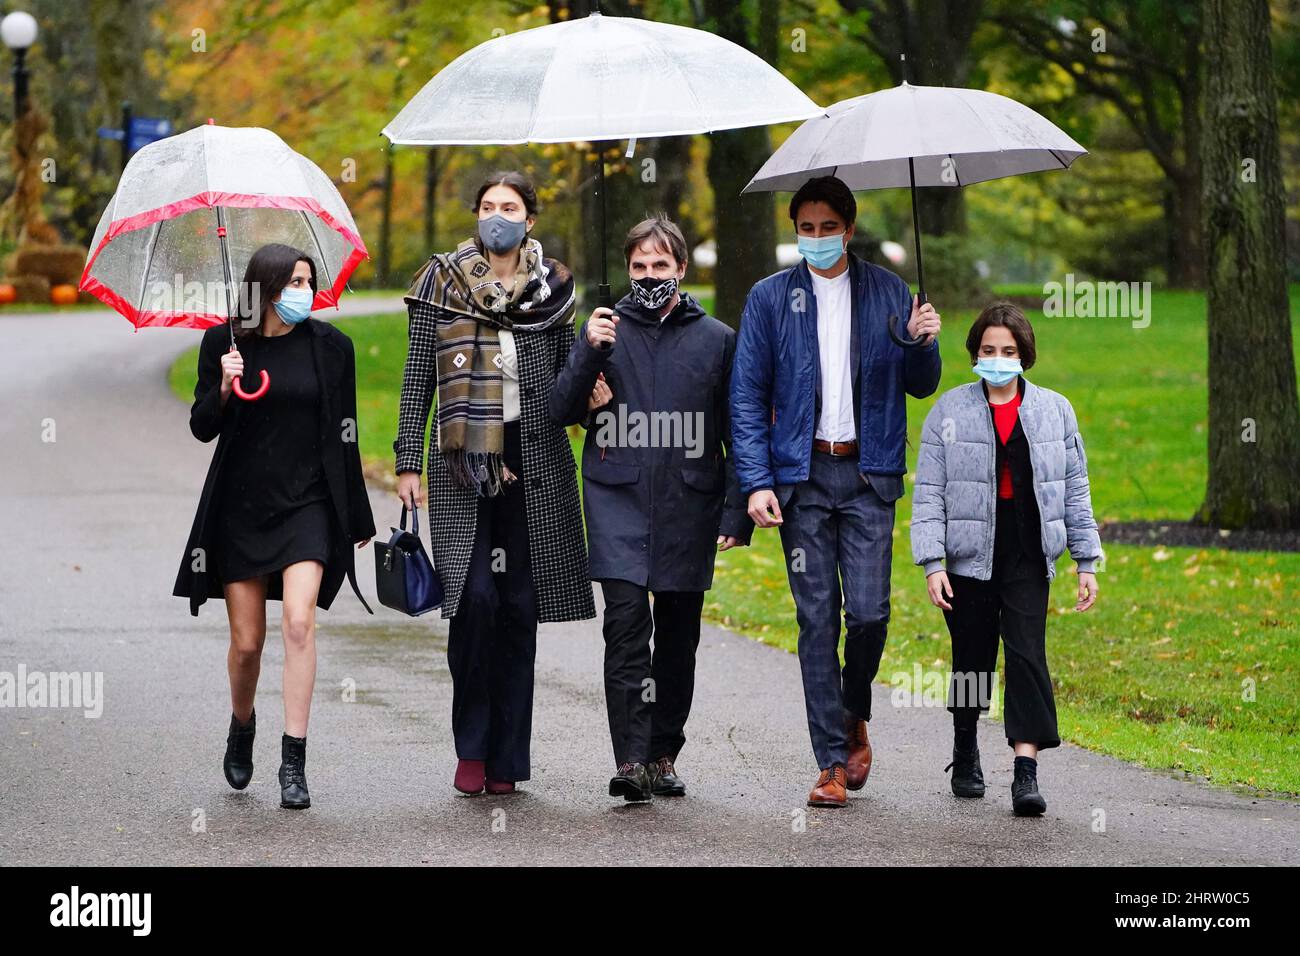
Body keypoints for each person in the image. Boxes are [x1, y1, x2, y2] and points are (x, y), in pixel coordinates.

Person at [730, 175, 942, 808]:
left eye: (828, 228)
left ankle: (853, 710)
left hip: (869, 476)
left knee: (870, 615)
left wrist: (923, 338)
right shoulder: (770, 299)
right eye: (805, 228)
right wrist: (756, 481)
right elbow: (746, 396)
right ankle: (829, 761)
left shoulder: (887, 291)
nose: (816, 239)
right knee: (816, 618)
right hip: (802, 481)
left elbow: (922, 385)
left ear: (849, 230)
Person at [394, 171, 595, 797]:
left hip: (534, 464)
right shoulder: (440, 281)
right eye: (488, 206)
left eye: (510, 207)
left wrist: (594, 374)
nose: (497, 216)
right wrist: (407, 459)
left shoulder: (555, 290)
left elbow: (568, 379)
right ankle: (472, 746)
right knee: (474, 600)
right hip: (462, 466)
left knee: (520, 608)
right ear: (476, 215)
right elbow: (415, 375)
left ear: (529, 220)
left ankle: (508, 756)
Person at [549, 216, 752, 802]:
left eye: (660, 266)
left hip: (689, 500)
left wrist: (736, 513)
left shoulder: (717, 338)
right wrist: (589, 354)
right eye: (638, 266)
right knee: (626, 627)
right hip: (618, 495)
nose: (649, 276)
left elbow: (738, 432)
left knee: (679, 636)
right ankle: (631, 759)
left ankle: (664, 752)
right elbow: (562, 410)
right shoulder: (604, 332)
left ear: (682, 270)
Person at [173, 242, 376, 810]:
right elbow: (201, 428)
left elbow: (347, 434)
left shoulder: (332, 348)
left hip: (307, 505)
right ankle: (243, 725)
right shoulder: (224, 344)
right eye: (290, 283)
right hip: (241, 509)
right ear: (263, 289)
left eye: (307, 282)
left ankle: (294, 760)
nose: (302, 293)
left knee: (297, 622)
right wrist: (223, 386)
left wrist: (356, 514)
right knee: (247, 643)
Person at [911, 302, 1101, 816]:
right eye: (989, 350)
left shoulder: (1054, 410)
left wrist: (1086, 559)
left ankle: (1025, 772)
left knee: (1026, 655)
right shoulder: (949, 411)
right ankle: (966, 748)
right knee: (971, 658)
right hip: (967, 558)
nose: (998, 358)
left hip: (1027, 552)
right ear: (975, 353)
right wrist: (932, 562)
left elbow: (1075, 487)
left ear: (1025, 355)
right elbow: (927, 493)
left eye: (1008, 351)